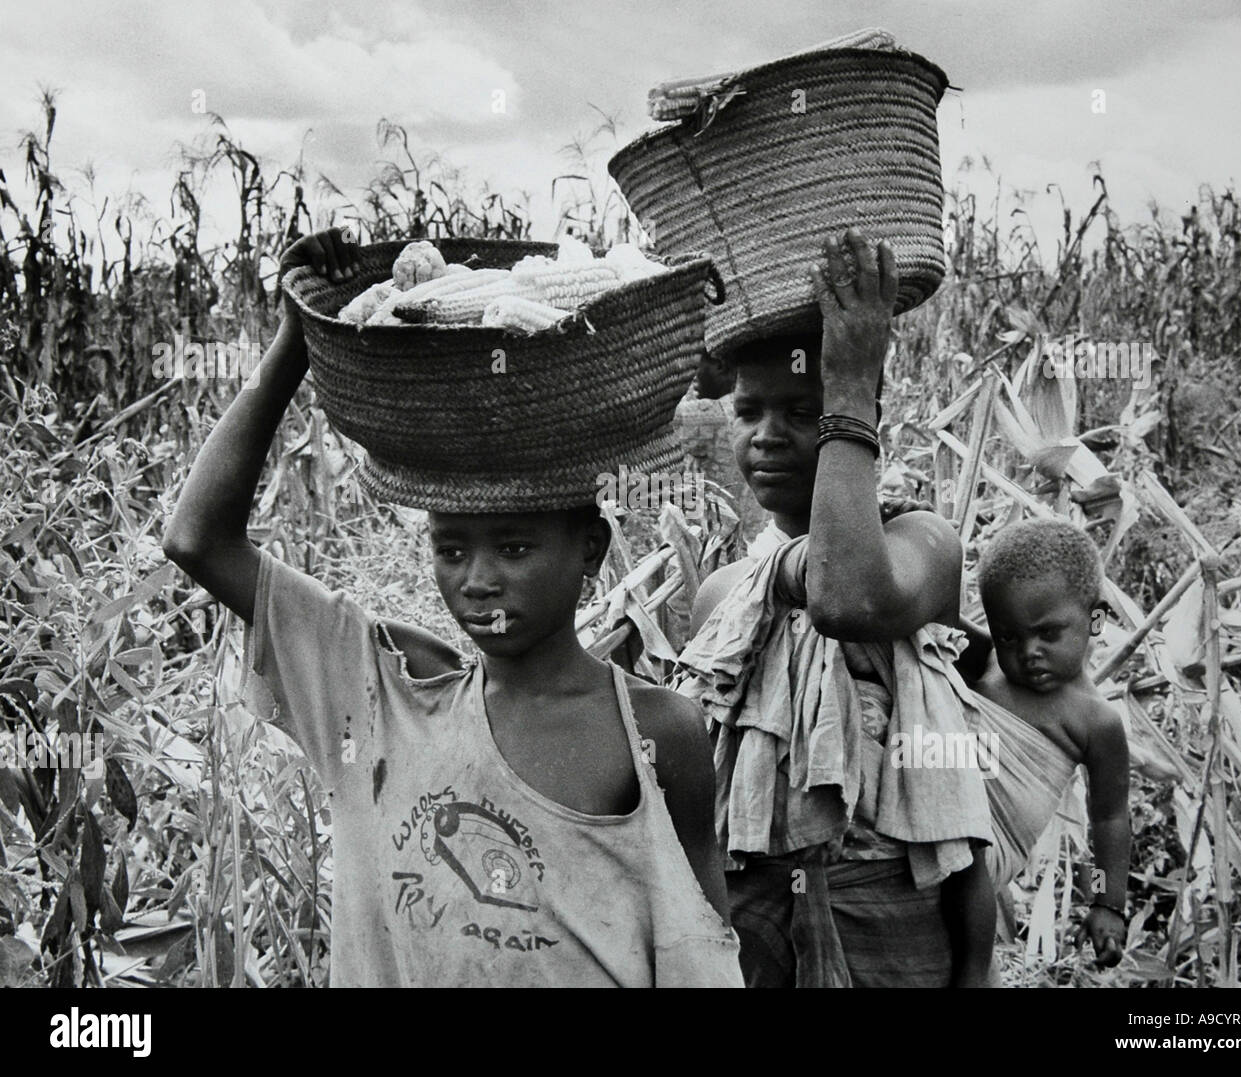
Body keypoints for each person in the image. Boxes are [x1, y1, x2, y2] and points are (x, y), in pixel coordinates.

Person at [162, 227, 742, 987]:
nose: (479, 579)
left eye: (515, 547)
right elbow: (198, 538)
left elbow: (703, 947)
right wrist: (294, 339)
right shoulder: (385, 701)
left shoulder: (657, 733)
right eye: (451, 547)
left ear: (592, 551)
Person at [677, 228, 995, 987]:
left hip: (894, 915)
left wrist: (851, 381)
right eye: (749, 410)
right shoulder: (725, 596)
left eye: (802, 410)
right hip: (754, 923)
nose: (767, 436)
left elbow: (846, 597)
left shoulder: (920, 544)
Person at [968, 517, 1131, 967]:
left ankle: (974, 975)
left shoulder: (1097, 721)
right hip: (932, 814)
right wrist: (910, 522)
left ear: (1094, 618)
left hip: (984, 854)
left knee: (962, 861)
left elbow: (1110, 817)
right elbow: (929, 611)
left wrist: (1106, 903)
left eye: (1048, 633)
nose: (1028, 652)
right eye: (1009, 636)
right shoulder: (988, 664)